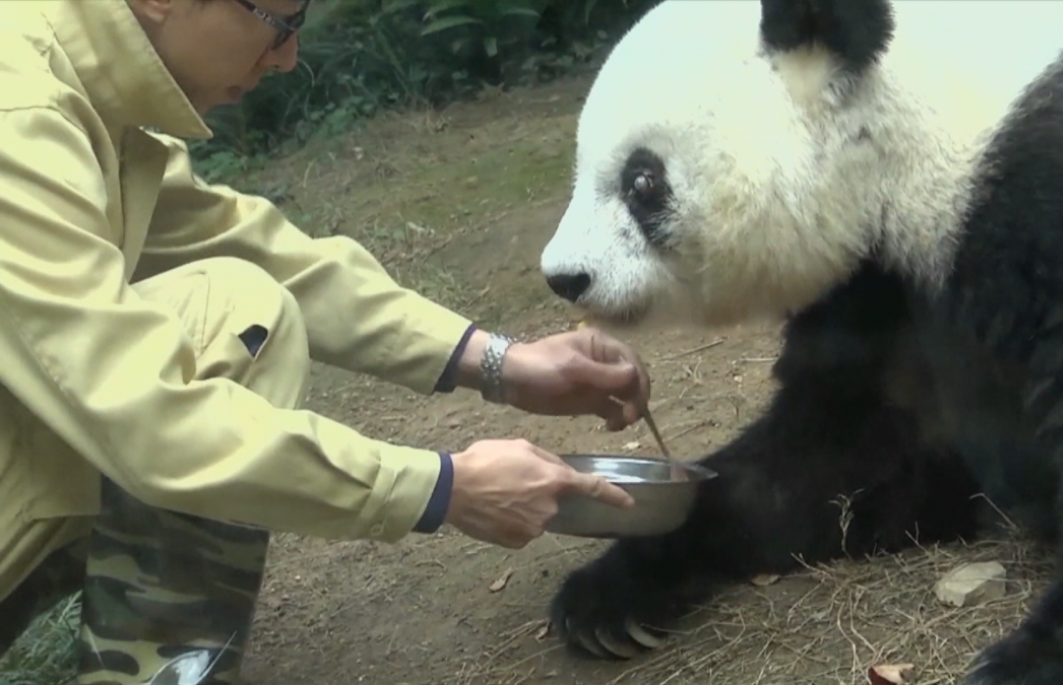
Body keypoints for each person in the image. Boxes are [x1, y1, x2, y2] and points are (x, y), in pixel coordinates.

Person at [0, 0, 650, 682]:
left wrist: (498, 363)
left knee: (239, 306)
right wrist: (444, 488)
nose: (287, 55)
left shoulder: (84, 90)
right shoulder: (20, 120)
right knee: (227, 323)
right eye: (280, 19)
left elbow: (260, 251)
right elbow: (149, 417)